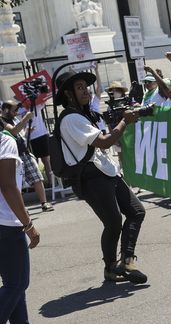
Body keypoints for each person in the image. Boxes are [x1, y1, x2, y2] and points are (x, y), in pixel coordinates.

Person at [54, 70, 147, 284]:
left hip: (106, 171)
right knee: (113, 223)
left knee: (136, 211)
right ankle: (110, 268)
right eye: (79, 87)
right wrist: (125, 121)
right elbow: (104, 142)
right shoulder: (71, 119)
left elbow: (107, 141)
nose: (86, 90)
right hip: (91, 177)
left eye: (85, 86)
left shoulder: (88, 115)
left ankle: (127, 260)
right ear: (68, 94)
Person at [0, 130, 59, 324]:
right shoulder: (5, 141)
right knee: (17, 284)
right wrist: (29, 224)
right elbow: (7, 185)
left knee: (13, 282)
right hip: (5, 223)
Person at [0, 103, 52, 212]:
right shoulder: (1, 120)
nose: (16, 113)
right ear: (5, 110)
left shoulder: (14, 119)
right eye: (14, 110)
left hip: (24, 152)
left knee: (37, 177)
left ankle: (44, 203)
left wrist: (27, 131)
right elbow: (13, 131)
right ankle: (22, 209)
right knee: (17, 183)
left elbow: (19, 132)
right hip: (12, 155)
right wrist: (26, 118)